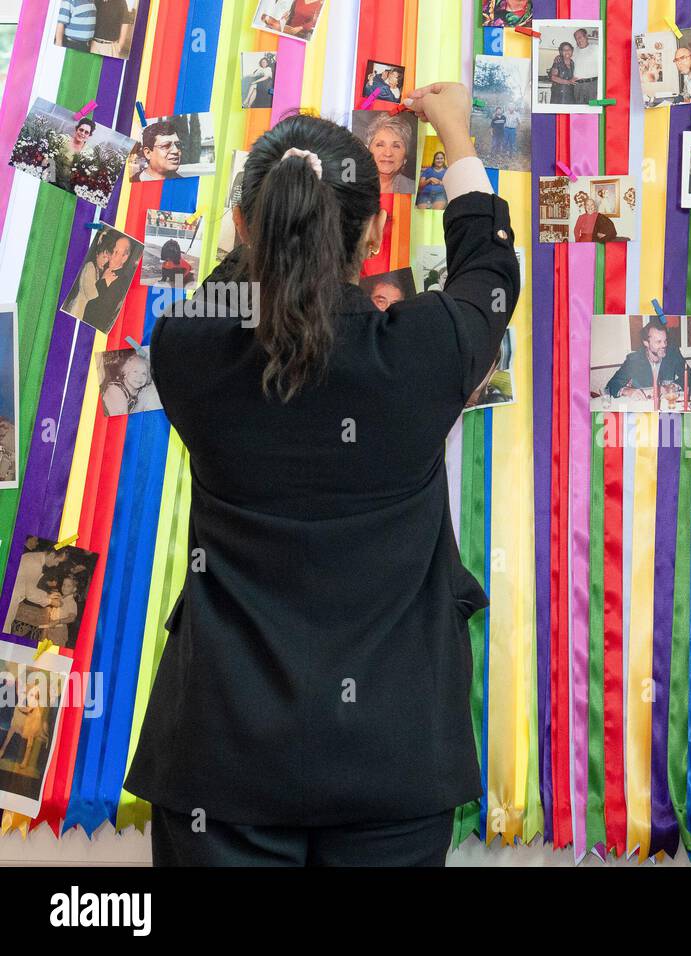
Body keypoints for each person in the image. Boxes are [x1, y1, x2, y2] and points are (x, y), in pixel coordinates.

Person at [124, 83, 521, 867]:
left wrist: (273, 219)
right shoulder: (428, 348)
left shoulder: (187, 348)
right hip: (393, 758)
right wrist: (458, 144)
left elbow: (238, 287)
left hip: (221, 758)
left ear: (246, 226)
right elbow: (490, 270)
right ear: (374, 233)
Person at [605, 322, 691, 405]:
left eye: (665, 341)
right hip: (642, 407)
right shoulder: (634, 360)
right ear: (646, 343)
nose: (664, 345)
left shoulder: (672, 353)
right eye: (658, 342)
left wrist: (671, 386)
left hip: (667, 406)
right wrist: (628, 391)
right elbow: (611, 386)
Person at [81, 233, 137, 333]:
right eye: (113, 250)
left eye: (116, 252)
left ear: (124, 258)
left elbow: (96, 316)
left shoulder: (118, 281)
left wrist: (102, 282)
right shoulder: (108, 272)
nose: (111, 256)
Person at [65, 231, 113, 318]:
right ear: (97, 254)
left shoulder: (97, 270)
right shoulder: (90, 266)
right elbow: (91, 294)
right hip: (77, 309)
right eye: (104, 257)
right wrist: (103, 280)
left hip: (82, 310)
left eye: (107, 259)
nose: (105, 261)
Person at [363, 114, 415, 194]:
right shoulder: (350, 185)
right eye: (380, 145)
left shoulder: (413, 189)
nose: (388, 153)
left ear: (405, 158)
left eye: (396, 146)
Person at [102, 351, 153, 415]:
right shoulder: (115, 389)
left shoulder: (140, 391)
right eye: (135, 371)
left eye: (144, 374)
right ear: (126, 372)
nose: (139, 377)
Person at [53, 116, 96, 192]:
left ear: (89, 135)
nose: (82, 133)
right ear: (76, 129)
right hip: (52, 177)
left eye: (86, 132)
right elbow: (50, 156)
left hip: (69, 186)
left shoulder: (88, 152)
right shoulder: (63, 139)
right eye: (81, 130)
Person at [571, 28, 600, 103]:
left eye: (580, 37)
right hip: (577, 86)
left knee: (593, 109)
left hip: (592, 85)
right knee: (579, 110)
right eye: (576, 39)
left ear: (586, 36)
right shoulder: (574, 51)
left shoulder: (597, 48)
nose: (578, 40)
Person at [547, 41, 578, 105]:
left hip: (571, 94)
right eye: (564, 50)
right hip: (559, 95)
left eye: (569, 49)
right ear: (561, 52)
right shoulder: (557, 62)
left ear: (572, 51)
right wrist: (568, 82)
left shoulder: (573, 62)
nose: (567, 51)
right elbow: (553, 77)